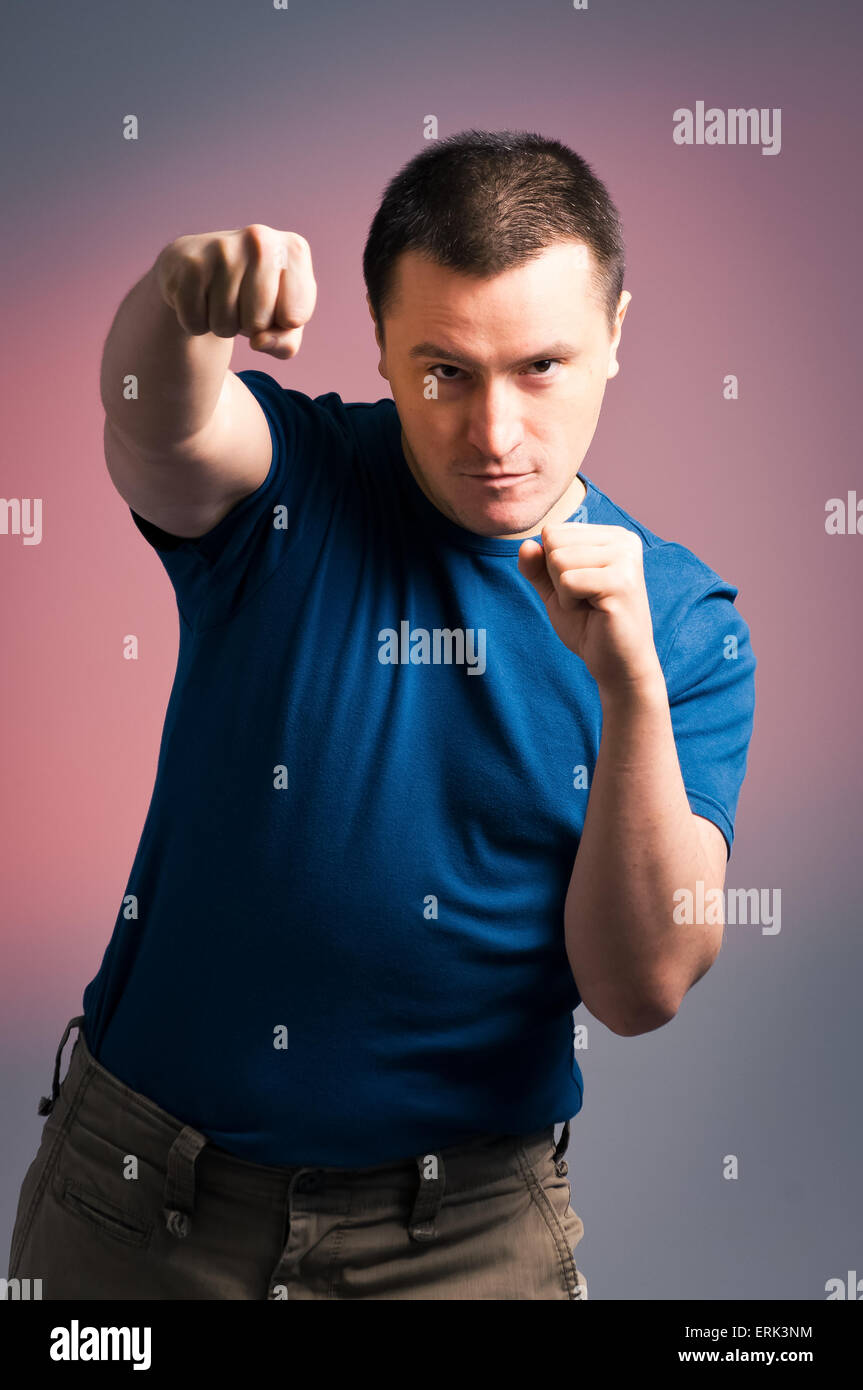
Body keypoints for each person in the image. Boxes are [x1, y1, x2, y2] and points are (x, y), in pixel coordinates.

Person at [7, 129, 756, 1300]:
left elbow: (638, 985)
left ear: (615, 332)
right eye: (443, 370)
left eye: (541, 367)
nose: (494, 433)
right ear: (381, 346)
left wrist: (628, 689)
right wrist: (174, 300)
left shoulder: (683, 625)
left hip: (460, 1243)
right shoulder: (299, 480)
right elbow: (158, 425)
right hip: (147, 1207)